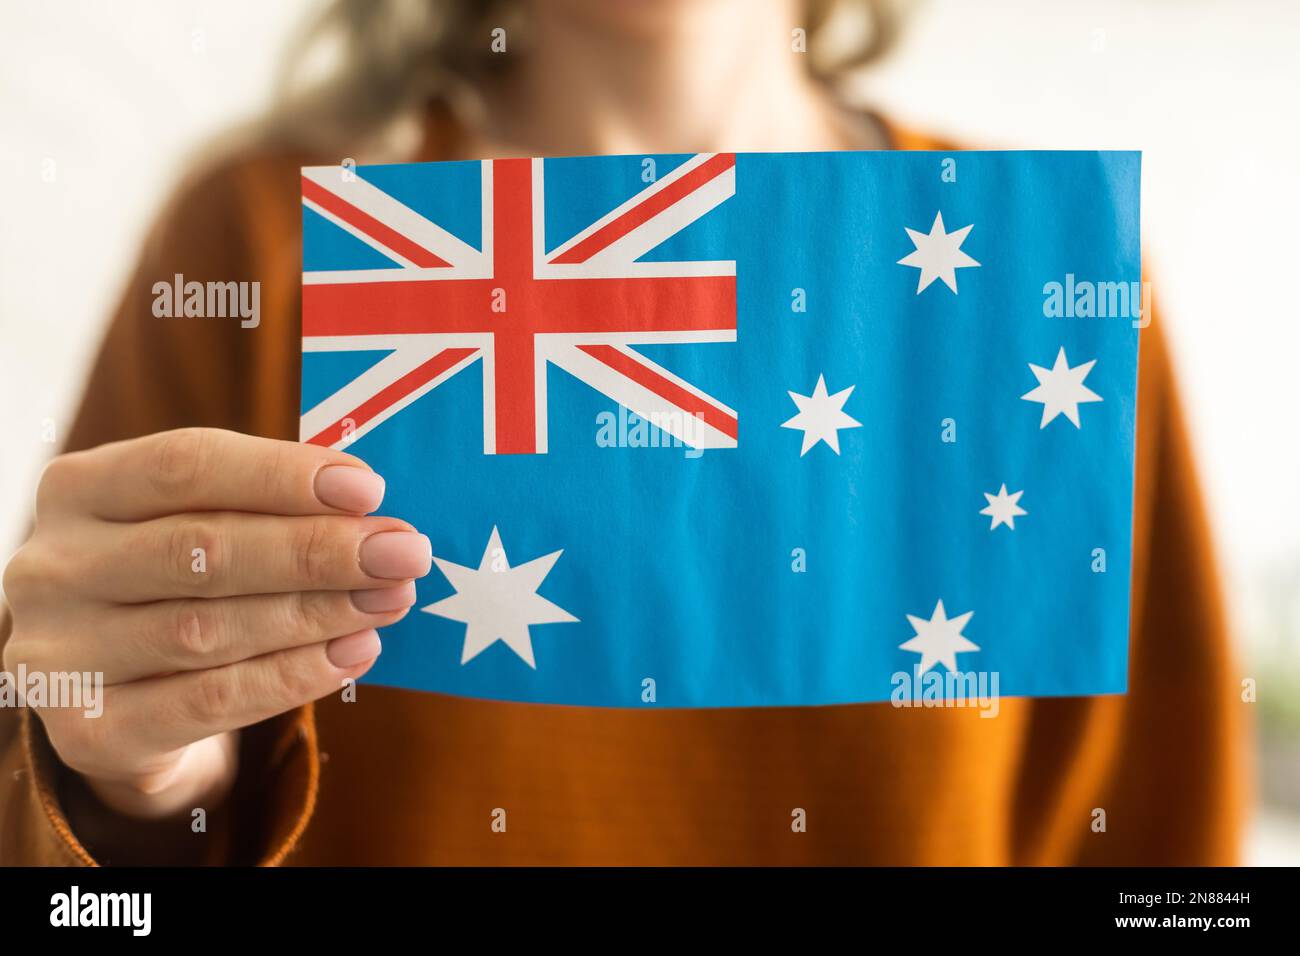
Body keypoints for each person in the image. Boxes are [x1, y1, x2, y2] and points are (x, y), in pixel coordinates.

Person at [0, 0, 1242, 865]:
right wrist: (128, 783)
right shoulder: (261, 243)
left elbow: (1163, 849)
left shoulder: (1040, 279)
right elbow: (89, 877)